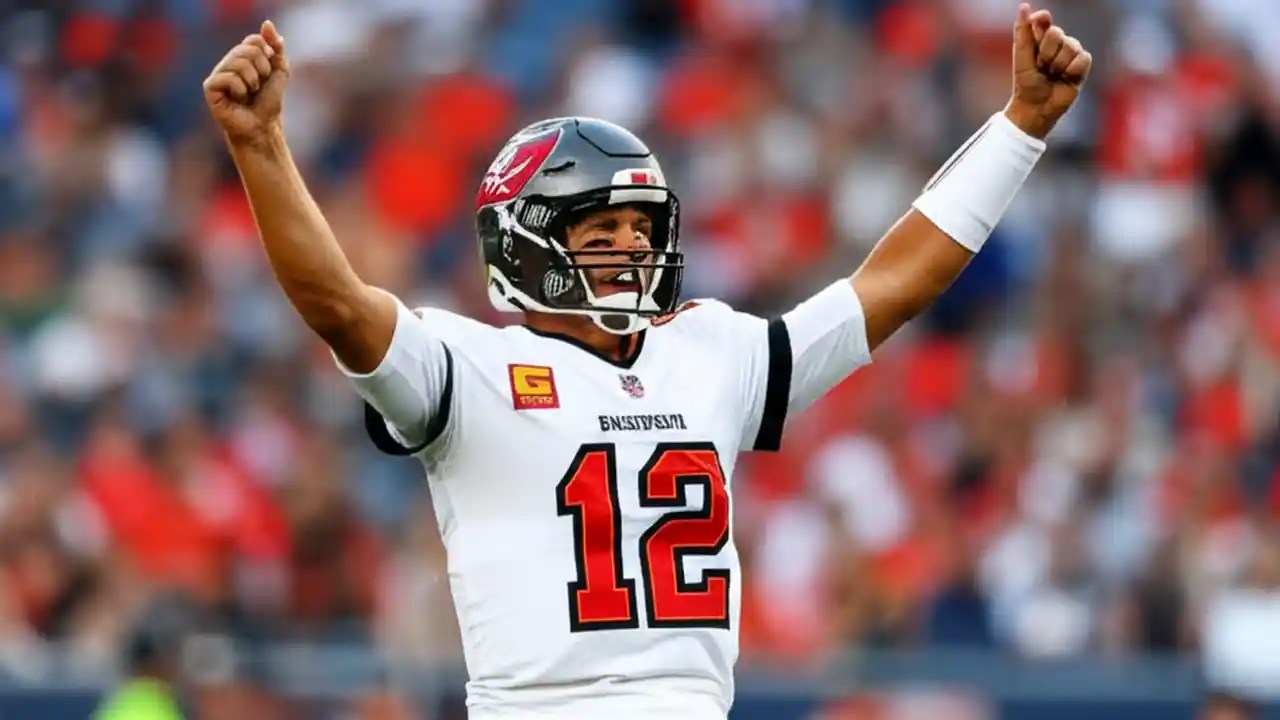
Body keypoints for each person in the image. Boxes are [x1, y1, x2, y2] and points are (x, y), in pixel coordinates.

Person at [202, 6, 1091, 718]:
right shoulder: (468, 370)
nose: (631, 250)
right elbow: (337, 305)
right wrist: (260, 146)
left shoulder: (710, 351)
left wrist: (1020, 130)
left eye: (642, 229)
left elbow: (886, 288)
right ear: (527, 247)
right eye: (602, 231)